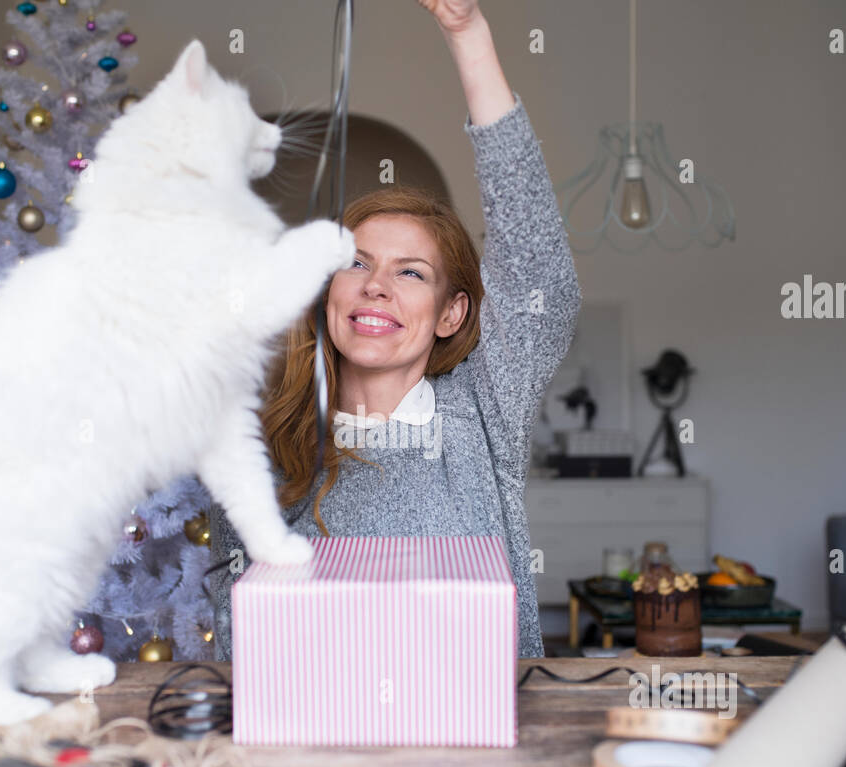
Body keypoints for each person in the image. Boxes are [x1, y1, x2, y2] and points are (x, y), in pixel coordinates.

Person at [209, 0, 581, 660]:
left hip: (477, 739)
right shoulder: (265, 450)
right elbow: (238, 627)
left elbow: (536, 269)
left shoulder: (484, 415)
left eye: (411, 273)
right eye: (356, 263)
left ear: (451, 313)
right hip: (317, 738)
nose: (375, 284)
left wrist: (468, 36)